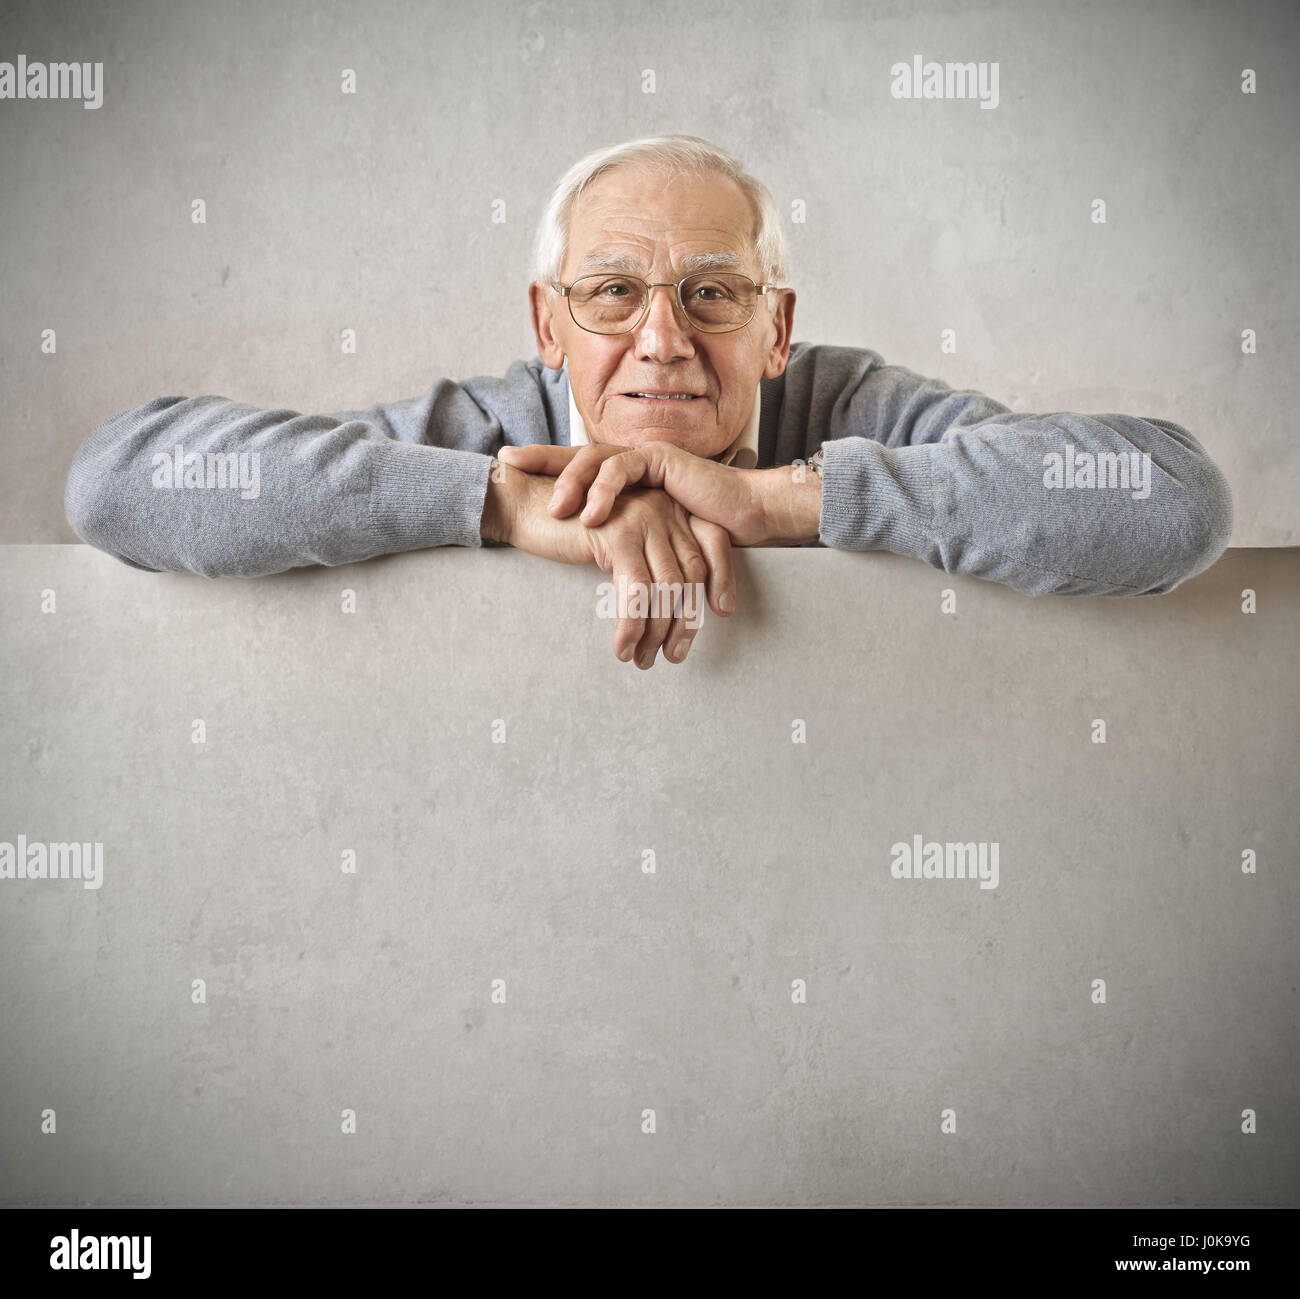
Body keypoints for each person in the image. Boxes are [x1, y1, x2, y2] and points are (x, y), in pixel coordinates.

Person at [64, 134, 1234, 671]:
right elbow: (119, 481)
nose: (662, 340)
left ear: (776, 328)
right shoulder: (491, 424)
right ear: (547, 327)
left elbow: (1171, 503)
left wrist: (772, 501)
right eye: (612, 292)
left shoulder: (848, 401)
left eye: (712, 293)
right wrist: (507, 506)